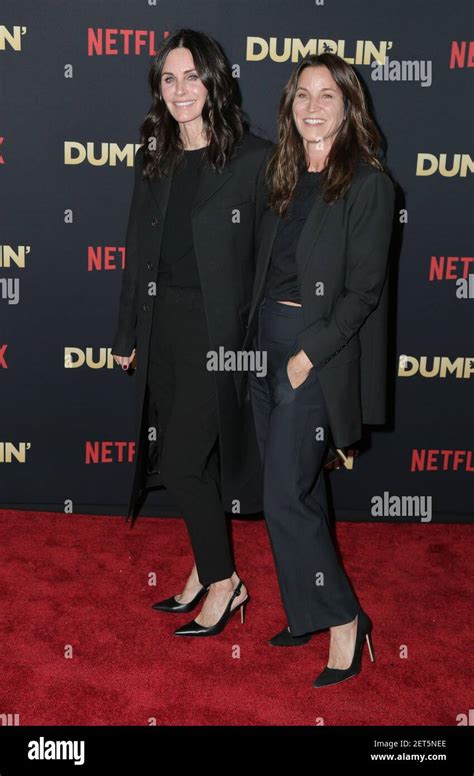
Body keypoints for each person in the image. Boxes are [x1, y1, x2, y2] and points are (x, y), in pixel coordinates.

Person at [111, 29, 272, 637]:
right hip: (161, 326)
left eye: (192, 76)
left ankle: (226, 582)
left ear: (216, 81)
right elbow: (136, 248)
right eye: (169, 78)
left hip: (218, 336)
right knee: (188, 461)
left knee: (181, 460)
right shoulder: (154, 152)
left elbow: (271, 258)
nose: (181, 90)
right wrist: (127, 331)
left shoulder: (255, 160)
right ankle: (207, 570)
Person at [241, 53, 395, 686]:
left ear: (349, 106)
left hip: (313, 350)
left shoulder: (369, 184)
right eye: (301, 94)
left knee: (283, 495)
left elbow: (363, 293)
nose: (311, 105)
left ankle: (343, 621)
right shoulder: (281, 174)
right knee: (294, 489)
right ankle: (305, 610)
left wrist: (307, 356)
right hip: (263, 342)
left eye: (326, 95)